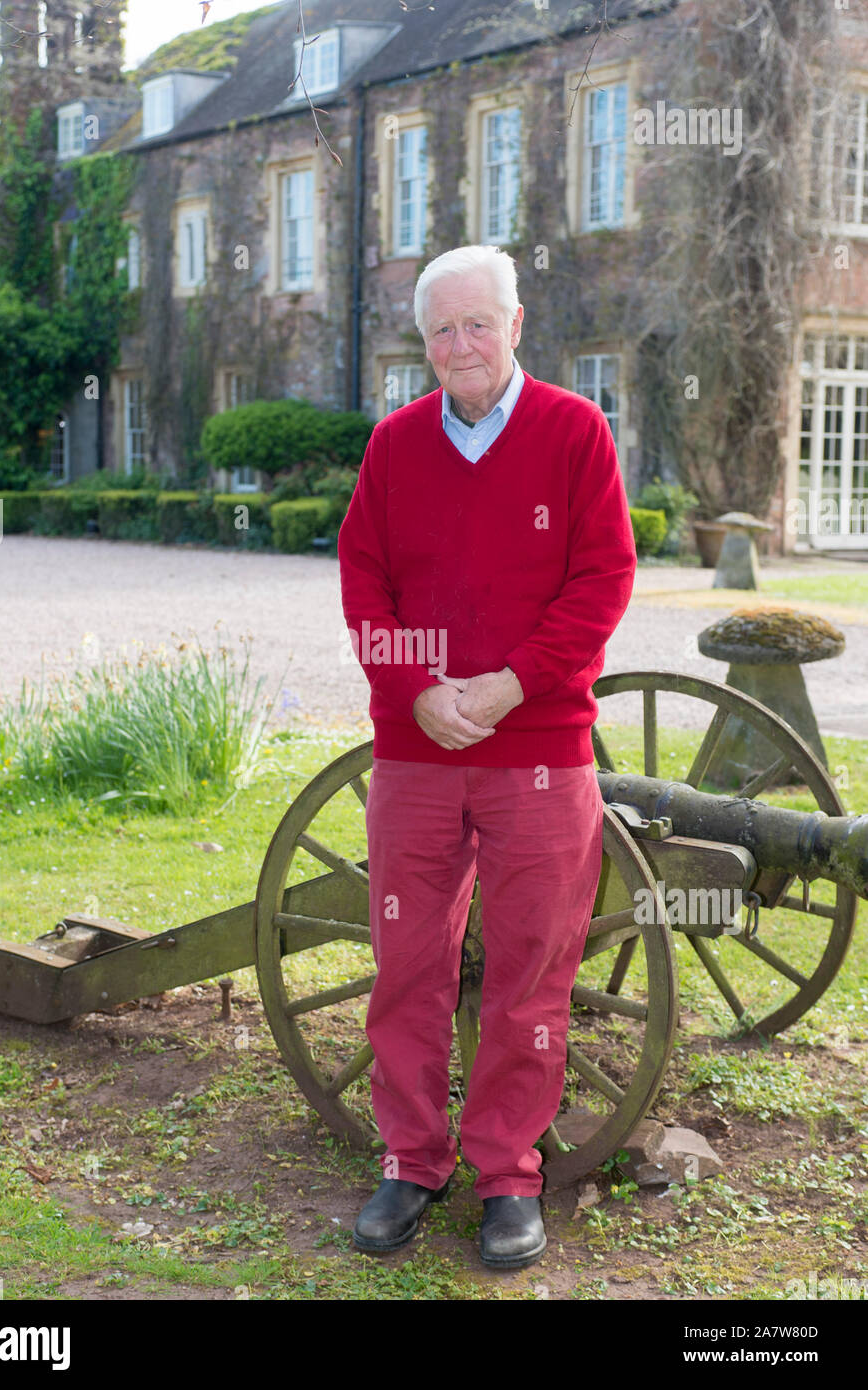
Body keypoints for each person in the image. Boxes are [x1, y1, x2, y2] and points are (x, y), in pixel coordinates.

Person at [337, 243, 637, 1269]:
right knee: (407, 965)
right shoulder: (395, 446)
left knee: (529, 970)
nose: (460, 344)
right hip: (415, 754)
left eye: (478, 323)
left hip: (540, 750)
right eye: (440, 330)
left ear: (516, 324)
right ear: (423, 343)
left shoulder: (572, 431)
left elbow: (601, 578)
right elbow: (363, 587)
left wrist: (511, 683)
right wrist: (419, 691)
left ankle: (509, 1172)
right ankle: (411, 1161)